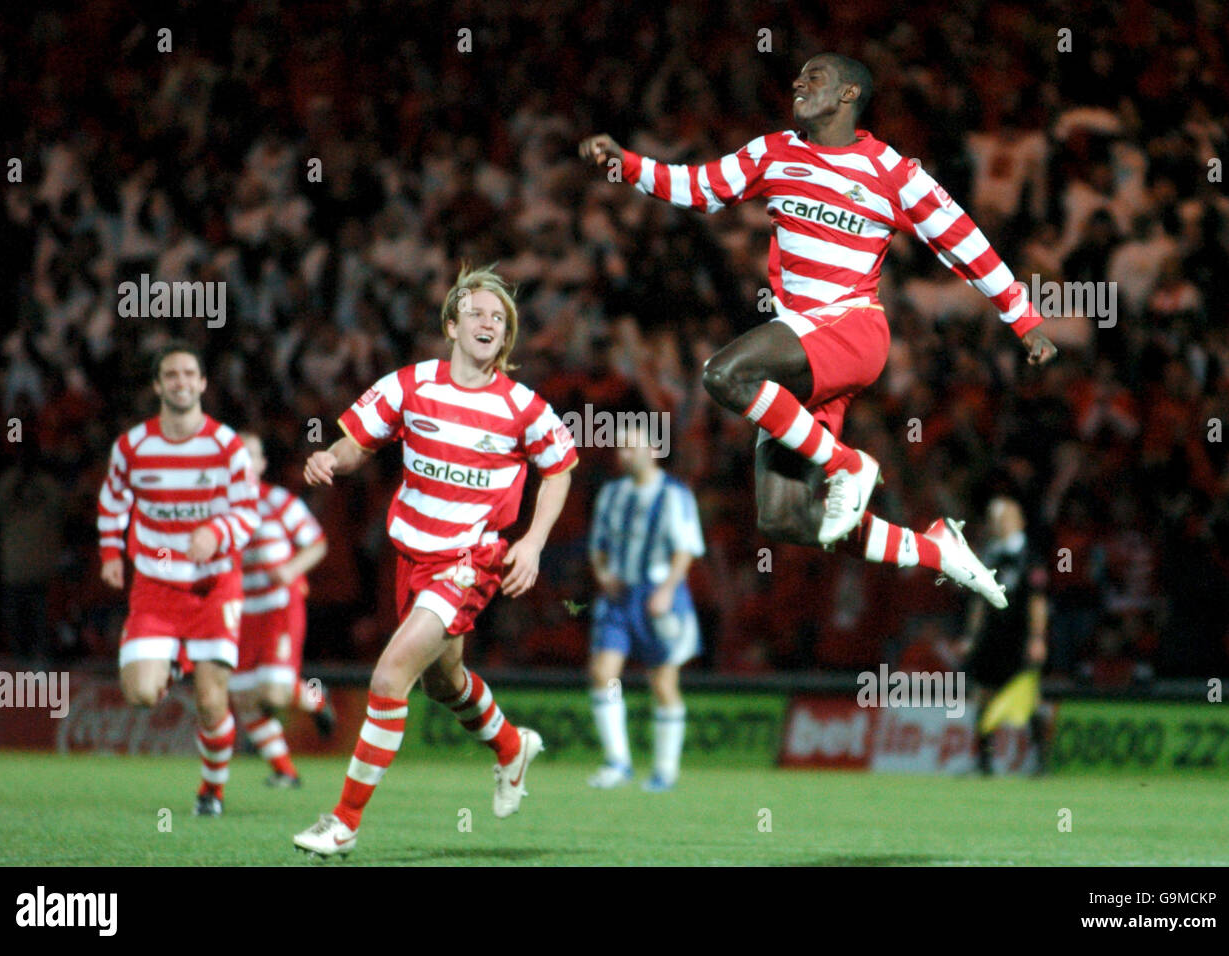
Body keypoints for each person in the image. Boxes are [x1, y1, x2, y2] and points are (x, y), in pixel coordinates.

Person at [580, 53, 1059, 610]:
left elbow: (964, 242)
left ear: (850, 94)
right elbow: (698, 187)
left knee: (724, 374)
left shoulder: (892, 171)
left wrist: (1023, 318)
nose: (798, 83)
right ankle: (933, 549)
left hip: (851, 329)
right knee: (785, 518)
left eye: (815, 77)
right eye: (798, 75)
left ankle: (848, 464)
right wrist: (627, 163)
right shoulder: (773, 152)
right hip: (799, 345)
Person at [292, 265, 578, 858]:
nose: (487, 322)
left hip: (470, 559)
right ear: (452, 324)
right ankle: (509, 746)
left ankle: (343, 822)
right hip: (412, 557)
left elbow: (561, 466)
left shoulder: (524, 407)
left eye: (498, 319)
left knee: (389, 676)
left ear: (506, 339)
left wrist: (532, 542)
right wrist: (330, 459)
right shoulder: (410, 385)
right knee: (444, 683)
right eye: (476, 312)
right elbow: (356, 443)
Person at [97, 341, 260, 816]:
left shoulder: (226, 445)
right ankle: (167, 664)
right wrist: (111, 552)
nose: (181, 382)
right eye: (171, 375)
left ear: (203, 383)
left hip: (213, 585)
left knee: (211, 703)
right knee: (141, 694)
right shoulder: (132, 445)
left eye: (190, 373)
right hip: (155, 584)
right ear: (157, 385)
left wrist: (217, 530)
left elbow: (248, 513)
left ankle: (211, 790)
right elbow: (113, 501)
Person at [587, 421, 705, 792]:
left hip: (658, 596)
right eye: (621, 447)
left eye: (632, 446)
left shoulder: (674, 494)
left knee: (662, 682)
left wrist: (668, 589)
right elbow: (598, 545)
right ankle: (618, 762)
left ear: (653, 450)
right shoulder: (611, 493)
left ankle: (665, 769)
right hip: (619, 596)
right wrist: (603, 575)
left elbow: (686, 549)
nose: (625, 454)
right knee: (602, 672)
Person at [230, 430, 334, 789]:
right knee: (243, 695)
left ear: (261, 464)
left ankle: (317, 699)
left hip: (278, 606)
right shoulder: (215, 510)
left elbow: (317, 543)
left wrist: (290, 570)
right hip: (241, 614)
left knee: (273, 693)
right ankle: (285, 771)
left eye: (251, 456)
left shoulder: (278, 502)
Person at [960, 497, 1051, 774]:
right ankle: (984, 763)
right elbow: (978, 602)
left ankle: (1042, 763)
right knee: (984, 698)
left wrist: (1037, 638)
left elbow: (1038, 601)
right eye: (994, 517)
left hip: (1018, 638)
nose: (999, 523)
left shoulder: (1030, 557)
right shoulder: (989, 556)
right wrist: (970, 637)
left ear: (1019, 522)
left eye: (1004, 517)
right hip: (991, 638)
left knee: (1029, 699)